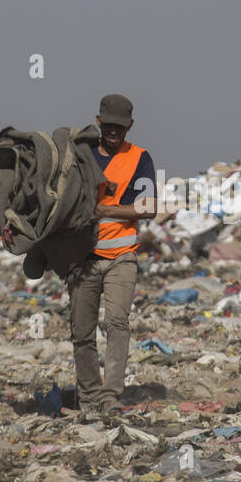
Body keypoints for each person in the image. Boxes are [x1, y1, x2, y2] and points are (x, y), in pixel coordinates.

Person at [69, 94, 157, 419]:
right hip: (83, 259)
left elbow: (148, 207)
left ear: (130, 126)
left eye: (120, 127)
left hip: (122, 256)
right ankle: (89, 399)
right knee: (82, 332)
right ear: (98, 122)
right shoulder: (83, 155)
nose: (113, 132)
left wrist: (106, 210)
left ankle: (110, 397)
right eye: (108, 126)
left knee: (117, 323)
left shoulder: (139, 158)